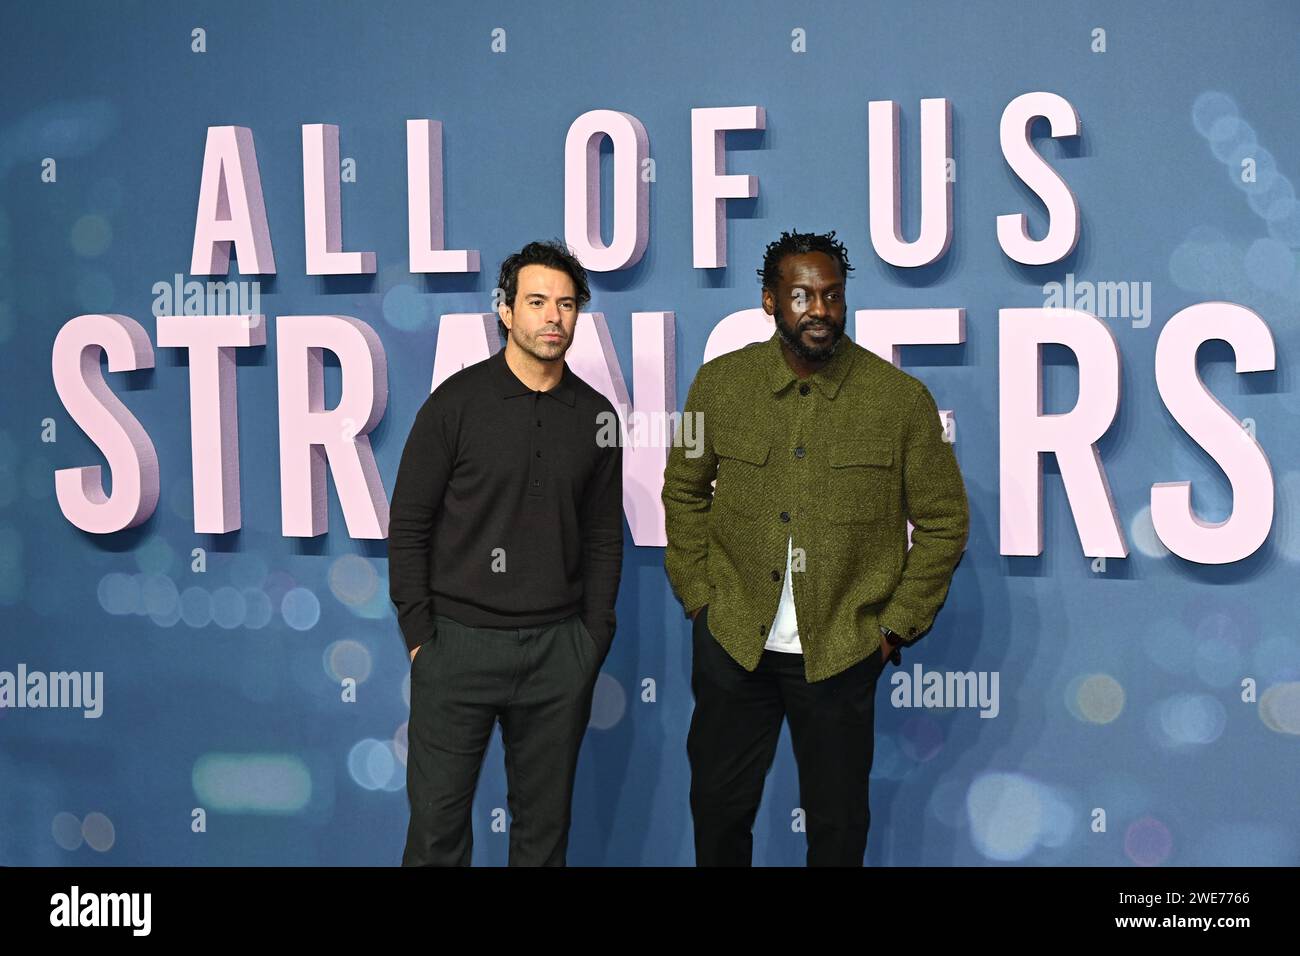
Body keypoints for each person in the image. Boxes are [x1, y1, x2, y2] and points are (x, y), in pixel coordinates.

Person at [662, 228, 969, 866]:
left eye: (832, 295)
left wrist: (891, 630)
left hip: (841, 652)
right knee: (719, 814)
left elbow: (944, 522)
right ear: (771, 301)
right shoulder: (718, 385)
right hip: (734, 643)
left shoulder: (900, 400)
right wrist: (701, 602)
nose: (820, 311)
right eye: (802, 296)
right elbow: (682, 492)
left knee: (838, 829)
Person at [388, 239, 623, 866]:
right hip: (457, 647)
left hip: (557, 652)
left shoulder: (598, 418)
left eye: (567, 304)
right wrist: (421, 638)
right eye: (538, 302)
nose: (553, 317)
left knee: (543, 841)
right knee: (436, 836)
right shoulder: (455, 406)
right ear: (506, 312)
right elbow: (409, 522)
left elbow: (604, 537)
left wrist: (591, 637)